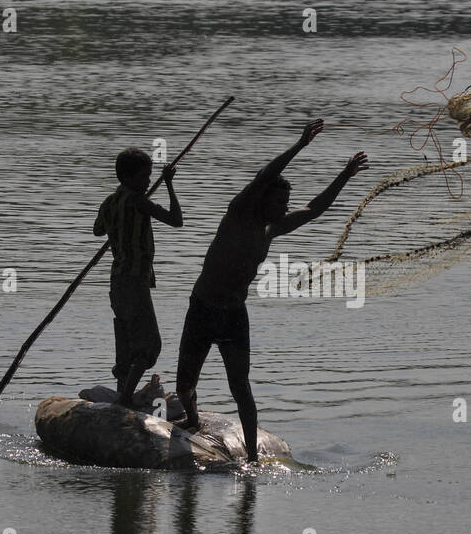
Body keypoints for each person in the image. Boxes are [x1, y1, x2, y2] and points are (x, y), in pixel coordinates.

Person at [175, 120, 368, 462]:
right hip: (203, 307)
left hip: (233, 314)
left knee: (241, 387)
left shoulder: (270, 228)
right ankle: (191, 420)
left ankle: (250, 456)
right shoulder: (237, 214)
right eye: (279, 201)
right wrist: (299, 145)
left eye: (285, 202)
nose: (283, 207)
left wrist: (344, 176)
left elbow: (314, 210)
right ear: (262, 199)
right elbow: (264, 175)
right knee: (184, 385)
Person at [93, 147, 183, 407]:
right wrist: (168, 185)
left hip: (117, 282)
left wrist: (118, 228)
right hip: (134, 282)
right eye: (144, 177)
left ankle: (124, 393)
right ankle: (123, 399)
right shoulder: (138, 201)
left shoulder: (110, 202)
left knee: (127, 344)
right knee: (148, 346)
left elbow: (98, 230)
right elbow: (176, 220)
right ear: (128, 177)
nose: (147, 182)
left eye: (149, 177)